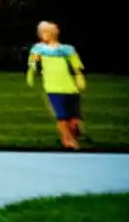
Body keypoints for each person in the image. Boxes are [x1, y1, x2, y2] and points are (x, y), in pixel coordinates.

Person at [27, 21, 86, 150]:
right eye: (41, 32)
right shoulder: (38, 49)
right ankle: (67, 141)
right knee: (62, 116)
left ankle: (73, 136)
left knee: (74, 120)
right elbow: (32, 64)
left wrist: (79, 77)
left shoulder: (67, 49)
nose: (42, 35)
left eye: (45, 32)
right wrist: (31, 74)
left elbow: (76, 65)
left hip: (70, 88)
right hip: (53, 88)